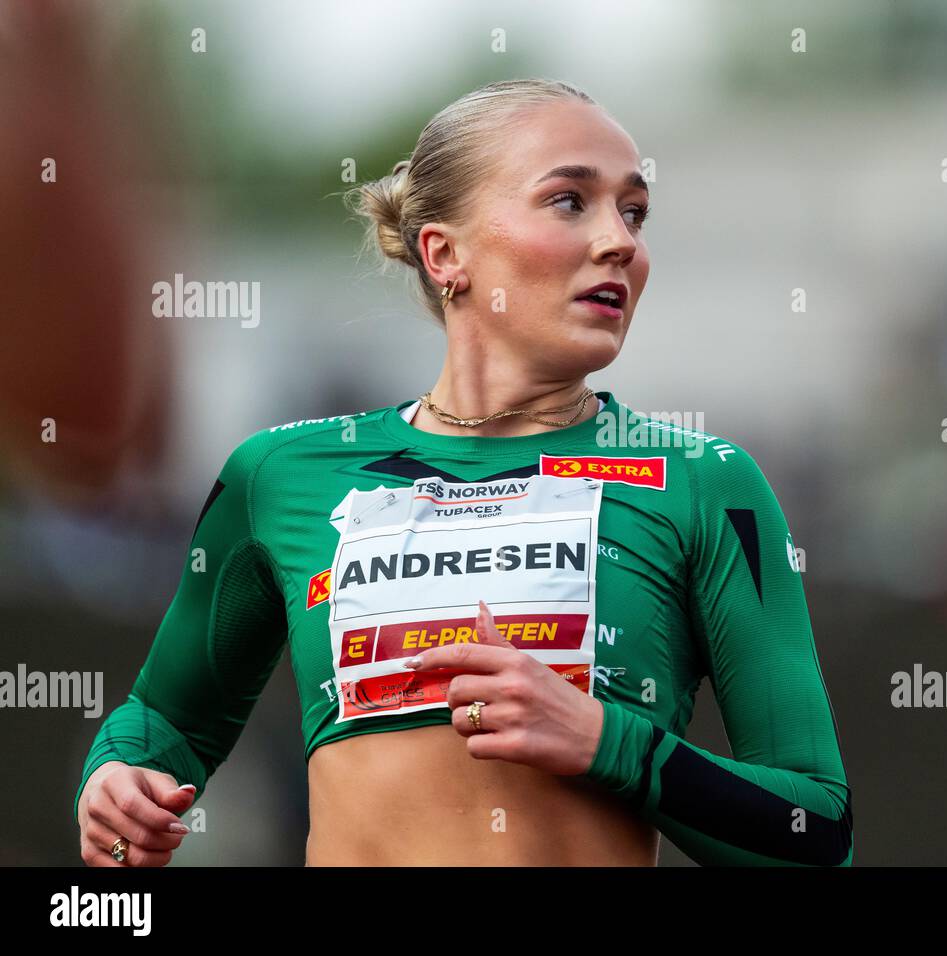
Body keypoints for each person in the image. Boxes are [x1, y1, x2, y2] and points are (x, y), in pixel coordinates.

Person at [73, 78, 852, 867]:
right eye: (569, 201)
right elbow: (165, 722)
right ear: (446, 254)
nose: (620, 240)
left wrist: (605, 740)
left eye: (634, 211)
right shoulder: (278, 473)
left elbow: (815, 834)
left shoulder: (702, 481)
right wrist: (118, 782)